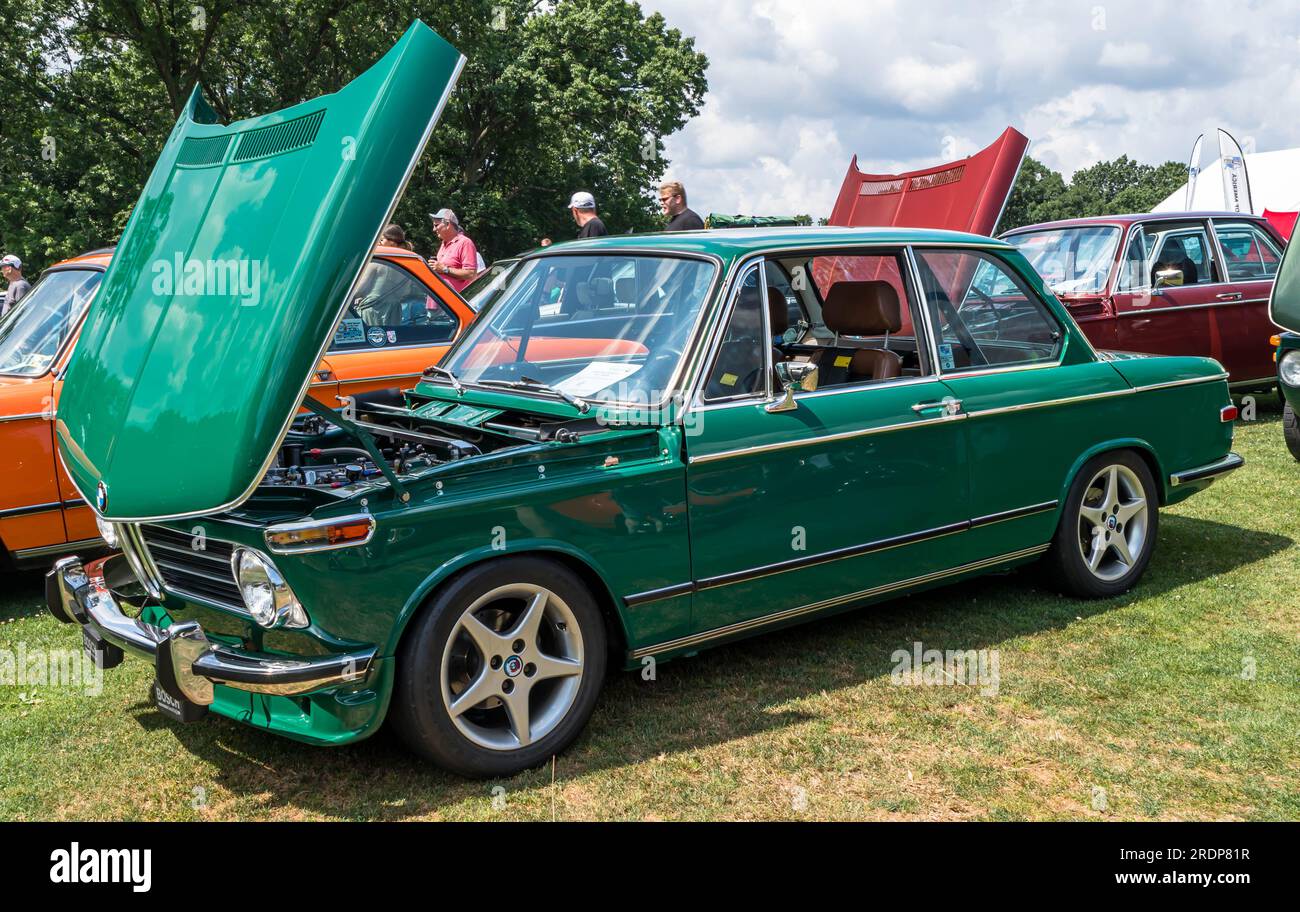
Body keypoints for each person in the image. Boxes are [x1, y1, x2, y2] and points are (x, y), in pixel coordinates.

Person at [427, 209, 480, 292]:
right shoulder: (444, 244)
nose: (434, 229)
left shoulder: (465, 243)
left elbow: (471, 274)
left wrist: (445, 269)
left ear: (448, 224)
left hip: (450, 303)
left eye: (436, 225)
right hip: (438, 300)